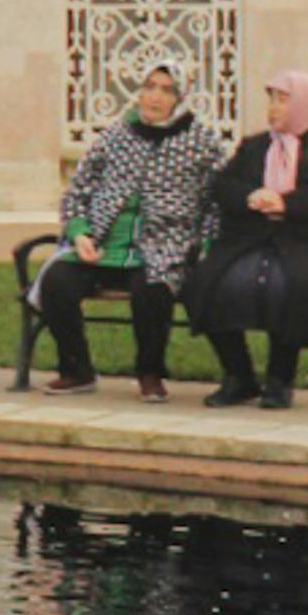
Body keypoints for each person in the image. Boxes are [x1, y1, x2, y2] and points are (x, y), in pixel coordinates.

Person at [35, 58, 216, 400]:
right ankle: (76, 370)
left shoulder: (199, 142)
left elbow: (215, 203)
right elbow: (77, 191)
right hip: (103, 245)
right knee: (57, 280)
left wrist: (203, 247)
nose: (155, 97)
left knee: (153, 287)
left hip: (162, 247)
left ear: (180, 98)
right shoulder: (116, 136)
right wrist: (80, 233)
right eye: (149, 87)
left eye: (167, 90)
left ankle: (150, 373)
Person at [188, 70, 308, 410]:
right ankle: (238, 375)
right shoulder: (255, 147)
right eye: (271, 100)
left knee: (288, 284)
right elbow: (223, 186)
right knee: (206, 281)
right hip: (253, 240)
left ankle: (279, 379)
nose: (273, 108)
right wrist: (251, 196)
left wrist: (287, 203)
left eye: (282, 100)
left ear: (306, 105)